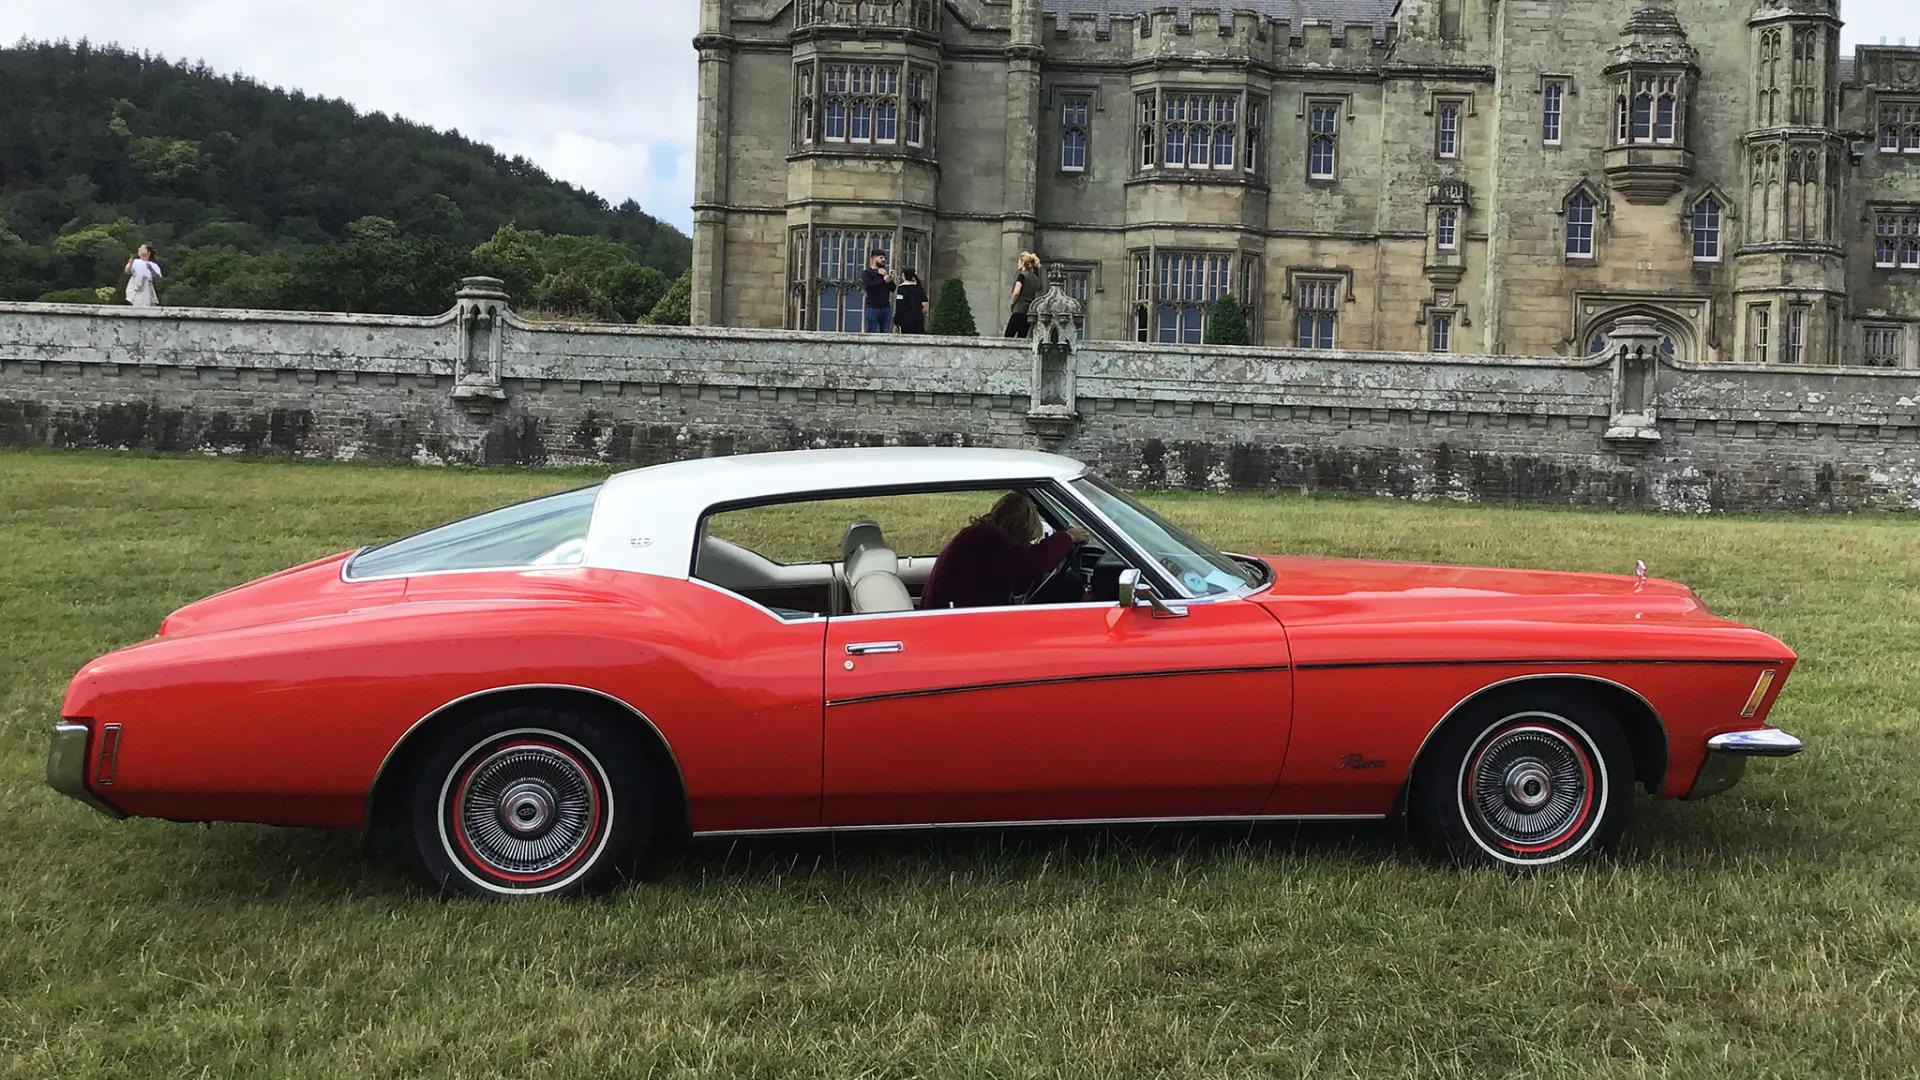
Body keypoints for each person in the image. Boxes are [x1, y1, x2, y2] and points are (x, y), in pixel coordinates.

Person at [918, 491, 1090, 610]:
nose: (1026, 544)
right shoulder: (987, 539)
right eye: (1026, 539)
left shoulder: (980, 535)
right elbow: (1032, 562)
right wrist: (1067, 537)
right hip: (954, 619)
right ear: (1020, 526)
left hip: (952, 613)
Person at [1004, 251, 1043, 338]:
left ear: (1023, 263)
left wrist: (1012, 303)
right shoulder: (1035, 278)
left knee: (1008, 336)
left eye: (1019, 261)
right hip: (1029, 311)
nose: (1017, 264)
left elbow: (1016, 293)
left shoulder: (1022, 276)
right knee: (1022, 337)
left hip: (1019, 309)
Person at [860, 250, 895, 334]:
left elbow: (893, 288)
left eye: (884, 258)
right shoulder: (867, 273)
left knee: (886, 332)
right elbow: (869, 287)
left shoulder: (884, 273)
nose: (883, 260)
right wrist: (883, 280)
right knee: (872, 332)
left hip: (886, 307)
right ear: (873, 258)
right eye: (881, 257)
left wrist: (887, 277)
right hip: (873, 307)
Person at [893, 268, 929, 335]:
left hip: (905, 320)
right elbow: (925, 308)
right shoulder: (919, 288)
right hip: (918, 319)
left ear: (903, 276)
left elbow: (899, 305)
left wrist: (896, 321)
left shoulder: (902, 289)